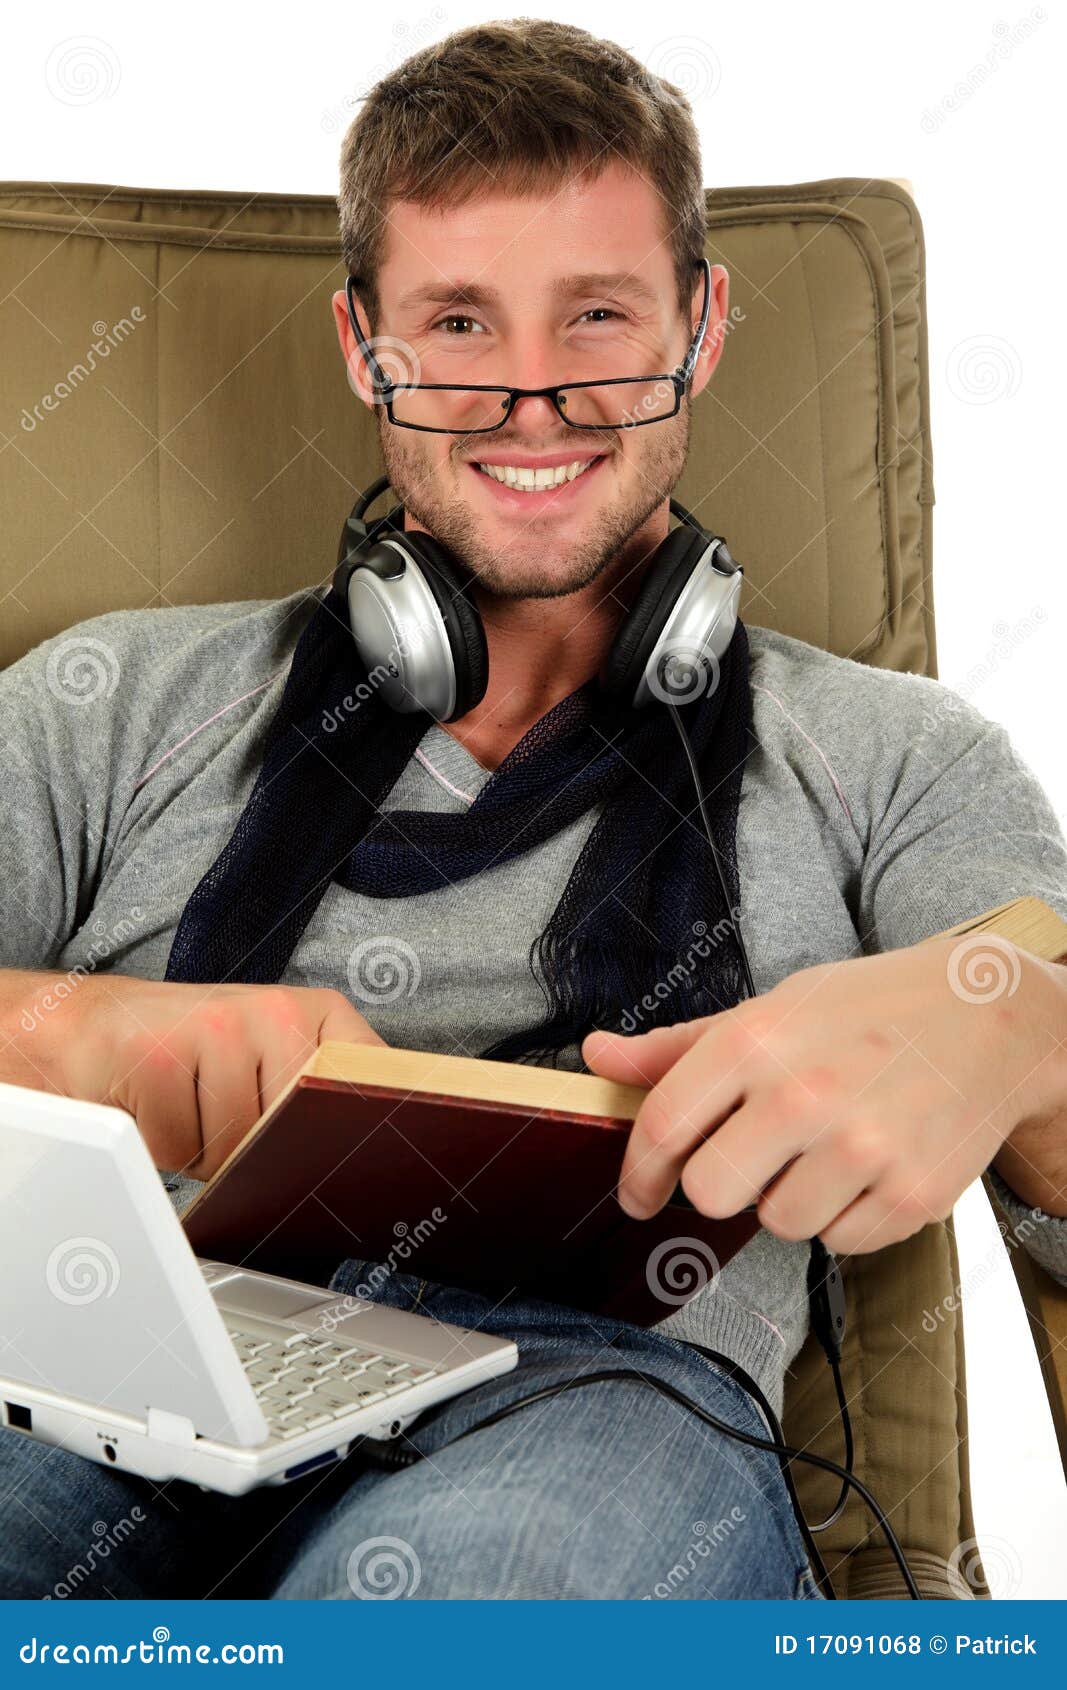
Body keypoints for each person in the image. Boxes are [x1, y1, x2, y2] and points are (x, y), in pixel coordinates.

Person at [1, 19, 1065, 1602]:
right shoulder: (111, 702)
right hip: (101, 1354)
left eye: (598, 322)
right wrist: (63, 1040)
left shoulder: (900, 755)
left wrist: (1021, 1032)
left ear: (703, 328)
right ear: (366, 346)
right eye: (457, 325)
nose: (534, 399)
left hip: (596, 1397)